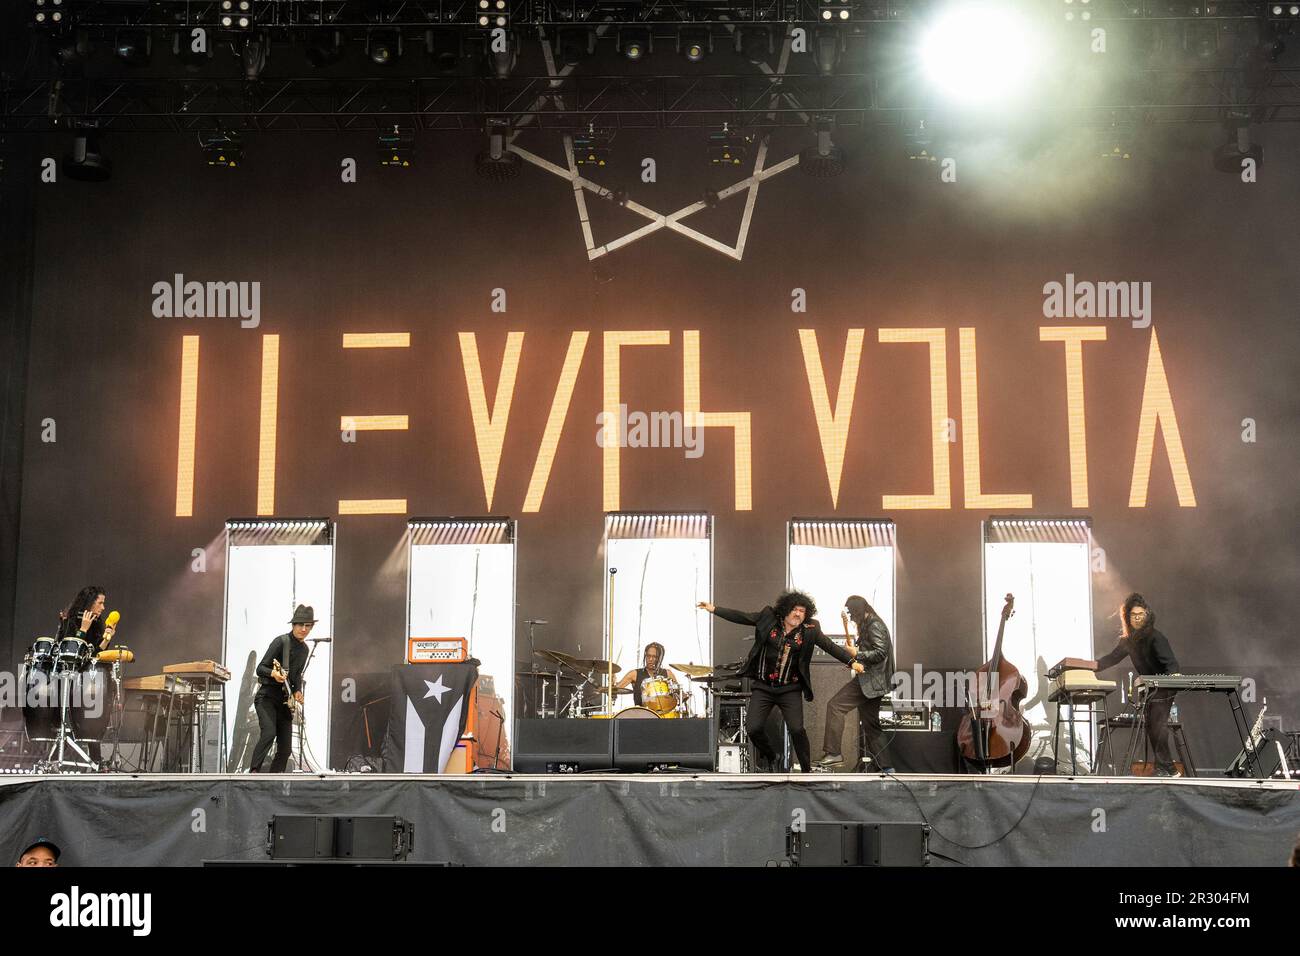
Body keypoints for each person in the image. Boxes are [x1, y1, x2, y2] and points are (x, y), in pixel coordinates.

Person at [699, 591, 863, 772]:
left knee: (797, 730)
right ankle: (772, 756)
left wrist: (852, 662)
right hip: (764, 686)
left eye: (802, 611)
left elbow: (829, 646)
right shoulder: (768, 618)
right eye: (795, 610)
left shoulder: (810, 629)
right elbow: (742, 617)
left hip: (790, 688)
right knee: (752, 728)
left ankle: (807, 771)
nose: (798, 614)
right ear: (785, 610)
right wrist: (713, 609)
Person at [1088, 593, 1181, 777]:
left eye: (1141, 614)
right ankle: (1166, 769)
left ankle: (1168, 769)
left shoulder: (1155, 637)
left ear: (1147, 615)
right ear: (1127, 617)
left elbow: (1172, 665)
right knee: (1152, 727)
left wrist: (1172, 679)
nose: (1137, 618)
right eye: (1133, 614)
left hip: (1165, 686)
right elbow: (1111, 659)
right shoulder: (1128, 641)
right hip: (1150, 690)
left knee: (1157, 725)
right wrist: (1088, 667)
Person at [817, 595, 895, 771]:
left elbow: (880, 653)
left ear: (859, 610)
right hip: (874, 682)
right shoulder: (870, 623)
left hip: (870, 681)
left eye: (851, 613)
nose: (850, 617)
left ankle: (834, 753)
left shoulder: (875, 624)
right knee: (871, 725)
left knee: (835, 706)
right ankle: (887, 767)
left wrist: (857, 653)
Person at [248, 604, 314, 773]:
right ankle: (254, 772)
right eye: (301, 625)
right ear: (293, 625)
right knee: (269, 733)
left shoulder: (305, 650)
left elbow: (297, 675)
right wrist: (273, 674)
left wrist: (298, 690)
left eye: (308, 626)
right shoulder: (281, 642)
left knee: (285, 749)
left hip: (285, 703)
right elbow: (260, 668)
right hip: (267, 698)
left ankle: (273, 779)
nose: (304, 629)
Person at [615, 642, 681, 712]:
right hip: (641, 716)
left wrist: (683, 696)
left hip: (664, 715)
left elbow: (680, 694)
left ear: (660, 658)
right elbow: (615, 690)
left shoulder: (668, 674)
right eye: (648, 656)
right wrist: (612, 683)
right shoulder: (634, 674)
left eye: (654, 657)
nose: (650, 659)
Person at [56, 586, 116, 652]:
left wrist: (106, 640)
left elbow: (96, 656)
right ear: (89, 603)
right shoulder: (70, 620)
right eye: (100, 603)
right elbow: (70, 651)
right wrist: (83, 629)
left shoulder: (96, 622)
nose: (103, 608)